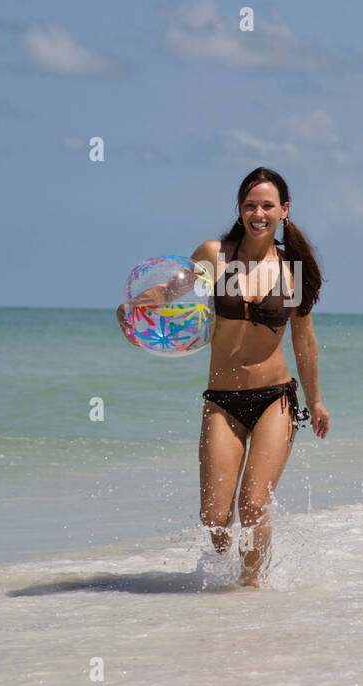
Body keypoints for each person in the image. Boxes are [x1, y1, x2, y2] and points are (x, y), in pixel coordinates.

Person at [117, 167, 329, 587]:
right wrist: (133, 311)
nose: (259, 213)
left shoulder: (294, 270)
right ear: (240, 209)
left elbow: (304, 342)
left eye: (268, 205)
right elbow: (169, 291)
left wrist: (316, 401)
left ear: (284, 211)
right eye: (250, 205)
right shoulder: (215, 255)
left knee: (253, 506)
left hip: (275, 399)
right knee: (215, 521)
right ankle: (229, 585)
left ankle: (251, 592)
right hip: (222, 400)